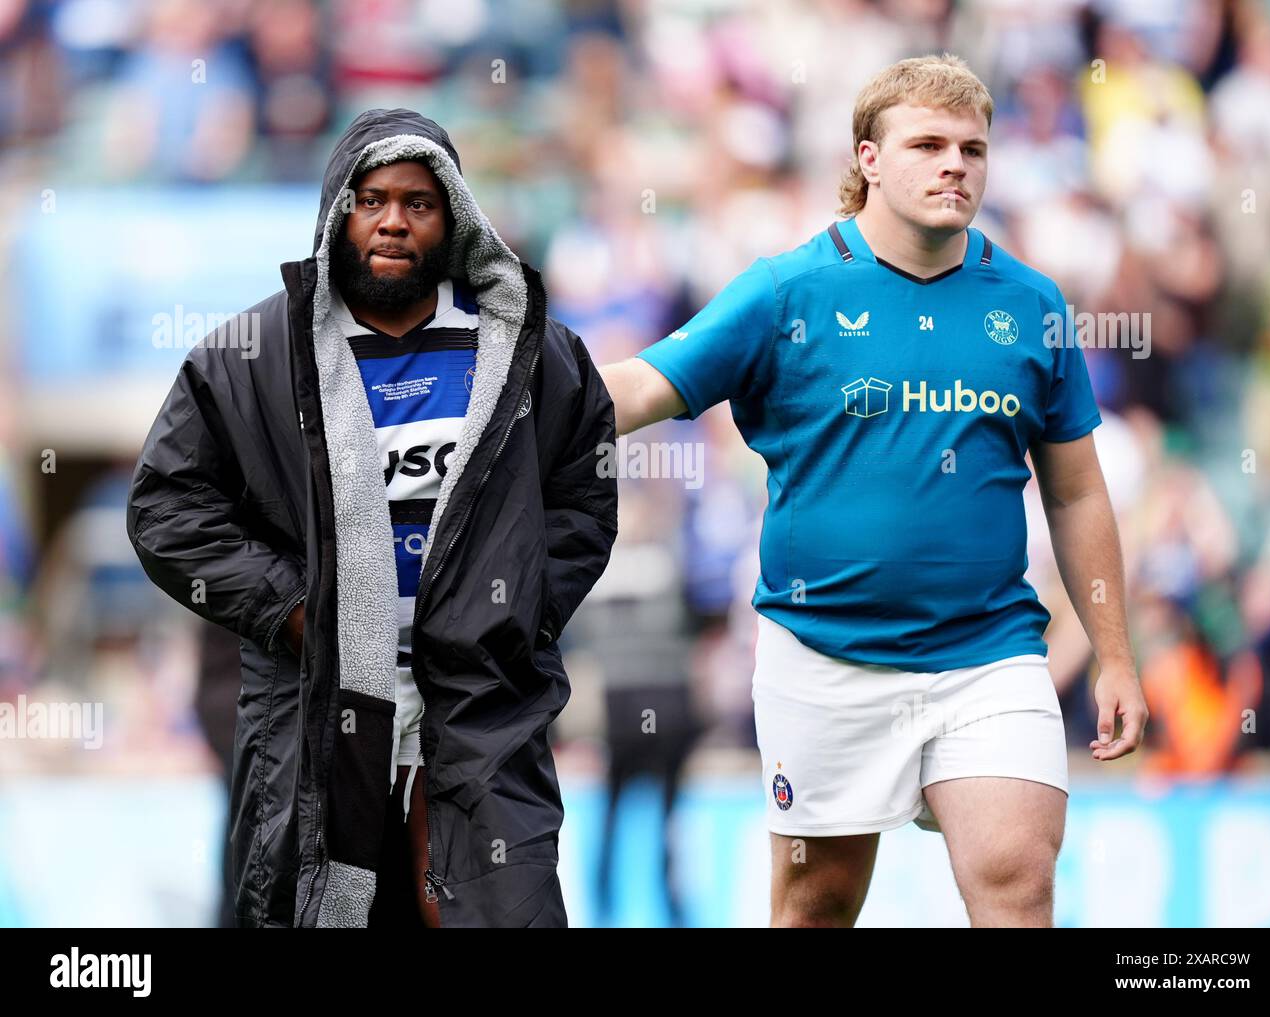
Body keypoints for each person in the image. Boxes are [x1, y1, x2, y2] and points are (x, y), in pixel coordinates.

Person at [598, 54, 1148, 928]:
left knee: (1014, 876)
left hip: (991, 653)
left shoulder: (1033, 301)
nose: (954, 165)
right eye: (928, 143)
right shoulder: (786, 292)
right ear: (868, 159)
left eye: (973, 148)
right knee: (817, 902)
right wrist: (510, 404)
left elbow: (1077, 493)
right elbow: (639, 389)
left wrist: (1115, 652)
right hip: (823, 655)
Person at [127, 108, 618, 927]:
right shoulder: (248, 356)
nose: (392, 219)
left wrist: (513, 610)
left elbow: (584, 497)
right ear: (337, 212)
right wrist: (292, 612)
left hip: (479, 714)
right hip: (312, 720)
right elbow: (165, 507)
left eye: (418, 202)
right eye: (371, 199)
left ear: (453, 214)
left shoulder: (532, 350)